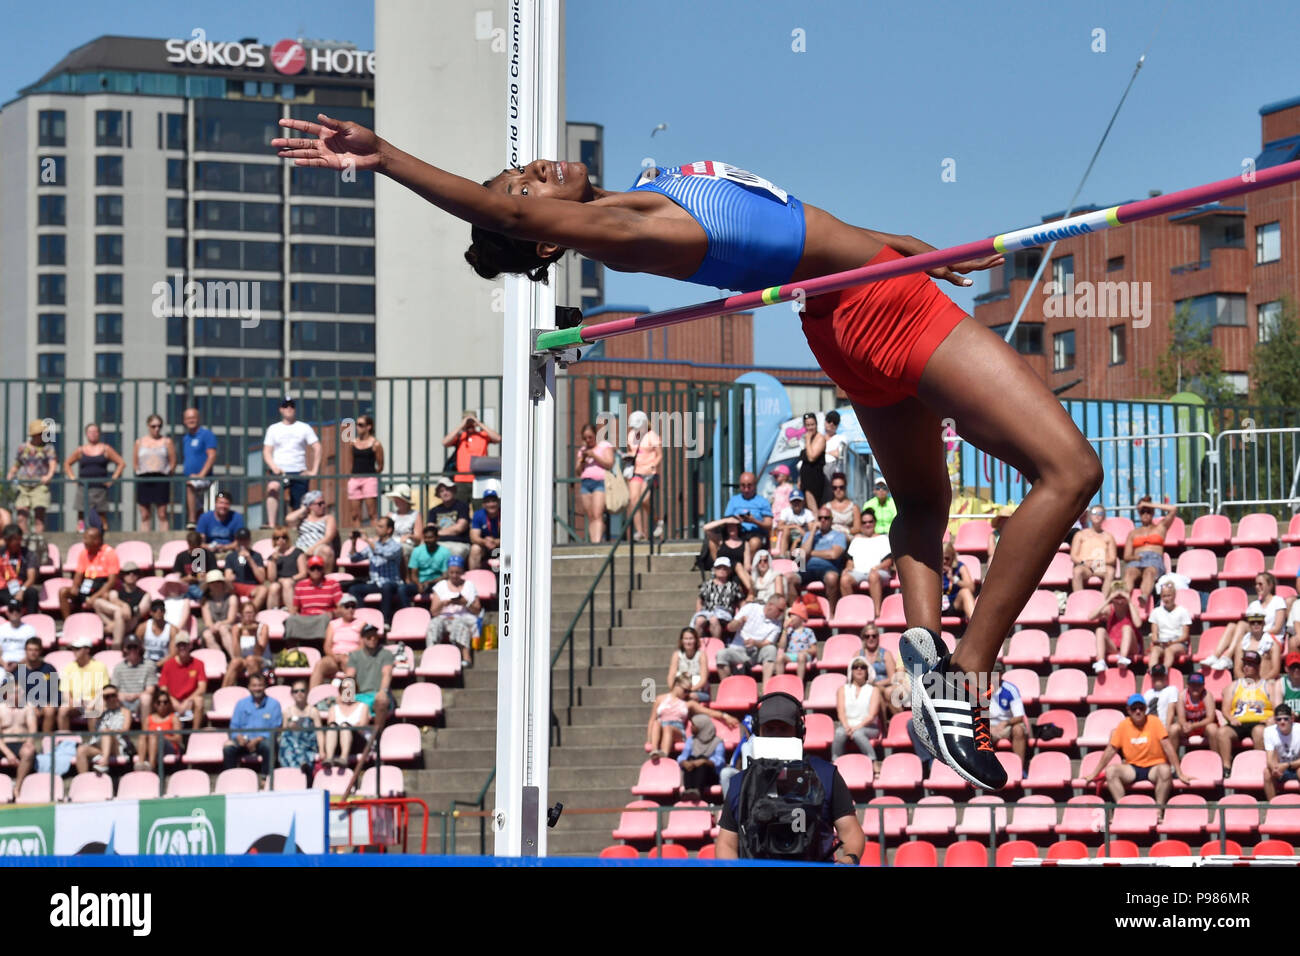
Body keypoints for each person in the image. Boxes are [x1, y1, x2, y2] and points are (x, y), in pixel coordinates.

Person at [272, 117, 1105, 791]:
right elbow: (511, 220)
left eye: (521, 169)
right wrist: (386, 158)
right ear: (552, 240)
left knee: (924, 499)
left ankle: (928, 658)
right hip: (882, 308)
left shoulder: (644, 194)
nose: (532, 171)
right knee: (1071, 471)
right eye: (523, 188)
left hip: (852, 308)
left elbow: (804, 226)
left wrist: (902, 244)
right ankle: (967, 668)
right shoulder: (616, 229)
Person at [715, 692, 865, 862]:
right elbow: (726, 843)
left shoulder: (826, 775)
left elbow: (850, 831)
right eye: (770, 729)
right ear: (758, 731)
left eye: (783, 728)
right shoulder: (740, 782)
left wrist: (849, 859)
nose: (776, 734)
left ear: (800, 732)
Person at [1092, 694, 1189, 806]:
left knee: (1165, 770)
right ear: (1128, 710)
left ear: (1145, 709)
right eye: (1134, 708)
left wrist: (1179, 772)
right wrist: (1095, 772)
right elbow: (1110, 750)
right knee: (1111, 771)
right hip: (1132, 768)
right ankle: (1123, 808)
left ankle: (1158, 810)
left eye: (1141, 708)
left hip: (1154, 766)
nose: (1138, 711)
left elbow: (1168, 747)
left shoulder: (1155, 722)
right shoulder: (1123, 725)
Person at [1208, 574, 1287, 675]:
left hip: (1273, 638)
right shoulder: (1254, 604)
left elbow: (1277, 628)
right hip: (1256, 636)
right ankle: (1216, 655)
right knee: (1232, 626)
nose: (1257, 587)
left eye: (1260, 584)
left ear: (1270, 585)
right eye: (1256, 584)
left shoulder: (1278, 601)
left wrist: (1258, 631)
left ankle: (1228, 656)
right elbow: (1250, 624)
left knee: (1241, 624)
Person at [645, 674, 736, 759]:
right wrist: (649, 739)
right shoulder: (660, 699)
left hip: (677, 729)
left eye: (689, 691)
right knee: (656, 723)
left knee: (668, 728)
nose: (687, 694)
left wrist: (724, 716)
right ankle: (655, 750)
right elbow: (652, 720)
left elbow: (708, 712)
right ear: (677, 685)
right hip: (662, 726)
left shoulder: (688, 704)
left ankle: (664, 755)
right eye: (685, 690)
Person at [263, 396, 321, 527]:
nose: (289, 408)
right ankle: (272, 524)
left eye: (291, 406)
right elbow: (267, 451)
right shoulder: (273, 428)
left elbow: (317, 447)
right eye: (285, 406)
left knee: (299, 503)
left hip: (299, 470)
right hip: (279, 470)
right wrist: (273, 467)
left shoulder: (304, 427)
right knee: (272, 488)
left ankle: (297, 527)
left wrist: (314, 470)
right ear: (280, 409)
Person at [784, 508, 847, 614]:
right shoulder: (809, 535)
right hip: (806, 568)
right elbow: (801, 555)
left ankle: (832, 614)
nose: (823, 520)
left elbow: (834, 554)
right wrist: (813, 531)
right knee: (788, 577)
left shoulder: (839, 535)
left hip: (828, 568)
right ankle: (796, 613)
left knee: (832, 578)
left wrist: (811, 553)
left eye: (826, 518)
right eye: (820, 518)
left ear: (831, 520)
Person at [64, 423, 124, 531]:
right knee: (81, 515)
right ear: (86, 434)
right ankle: (80, 535)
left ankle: (103, 534)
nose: (93, 434)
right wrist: (72, 477)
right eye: (90, 432)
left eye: (95, 432)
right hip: (84, 487)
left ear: (99, 434)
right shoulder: (80, 450)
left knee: (101, 515)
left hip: (100, 488)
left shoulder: (106, 449)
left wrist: (113, 479)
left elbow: (121, 463)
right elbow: (67, 463)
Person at [349, 516, 407, 623]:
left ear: (389, 530)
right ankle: (364, 619)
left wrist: (367, 541)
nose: (377, 529)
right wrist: (353, 542)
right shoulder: (373, 545)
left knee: (386, 587)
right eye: (377, 526)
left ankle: (385, 621)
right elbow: (354, 559)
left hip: (392, 583)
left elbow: (386, 554)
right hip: (375, 583)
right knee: (354, 589)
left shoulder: (396, 546)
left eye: (380, 526)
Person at [717, 594, 787, 682]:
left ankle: (766, 691)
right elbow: (730, 628)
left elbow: (768, 642)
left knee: (771, 649)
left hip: (757, 652)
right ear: (770, 606)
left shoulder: (778, 623)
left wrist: (755, 643)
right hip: (738, 649)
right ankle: (728, 686)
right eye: (780, 610)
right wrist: (739, 622)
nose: (782, 613)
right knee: (721, 654)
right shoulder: (750, 608)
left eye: (783, 611)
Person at [1121, 496, 1177, 605]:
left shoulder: (1160, 527)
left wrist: (1149, 504)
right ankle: (1123, 598)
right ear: (1139, 513)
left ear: (1153, 512)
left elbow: (1173, 509)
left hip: (1154, 558)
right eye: (1142, 511)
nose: (1146, 514)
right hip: (1137, 559)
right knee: (1130, 572)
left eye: (1149, 511)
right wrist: (1135, 557)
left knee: (1149, 572)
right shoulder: (1133, 533)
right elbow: (1126, 556)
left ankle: (1144, 596)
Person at [8, 419, 58, 538]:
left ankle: (37, 540)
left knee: (39, 516)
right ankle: (24, 539)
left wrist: (49, 475)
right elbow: (17, 464)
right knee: (21, 515)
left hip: (40, 485)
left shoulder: (48, 448)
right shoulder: (23, 447)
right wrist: (11, 473)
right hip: (23, 485)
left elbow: (53, 463)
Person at [224, 672, 281, 773]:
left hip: (262, 741)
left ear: (265, 686)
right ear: (249, 687)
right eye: (254, 685)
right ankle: (230, 778)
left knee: (269, 746)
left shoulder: (274, 704)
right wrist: (238, 737)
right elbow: (234, 726)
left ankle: (266, 779)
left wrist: (257, 739)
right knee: (228, 748)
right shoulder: (241, 703)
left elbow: (275, 728)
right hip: (244, 741)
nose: (257, 688)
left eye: (260, 685)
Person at [427, 556, 480, 664]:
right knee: (434, 624)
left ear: (462, 572)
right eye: (451, 572)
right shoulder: (440, 586)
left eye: (457, 572)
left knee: (459, 623)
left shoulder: (469, 585)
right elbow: (433, 611)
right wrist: (443, 603)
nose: (454, 575)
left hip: (464, 617)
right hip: (444, 617)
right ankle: (431, 654)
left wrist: (465, 603)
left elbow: (477, 610)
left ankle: (466, 657)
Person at [837, 509, 893, 611]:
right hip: (858, 572)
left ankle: (877, 612)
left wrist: (877, 567)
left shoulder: (883, 539)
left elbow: (888, 561)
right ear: (861, 524)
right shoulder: (856, 540)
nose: (867, 525)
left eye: (870, 522)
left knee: (873, 576)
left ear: (875, 522)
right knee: (844, 579)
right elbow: (850, 560)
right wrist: (848, 568)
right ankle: (852, 611)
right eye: (864, 522)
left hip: (879, 571)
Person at [58, 526, 119, 619]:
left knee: (106, 596)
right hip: (86, 585)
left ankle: (103, 625)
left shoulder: (110, 553)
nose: (84, 541)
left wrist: (95, 596)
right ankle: (68, 623)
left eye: (87, 538)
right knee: (63, 592)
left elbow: (111, 581)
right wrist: (75, 586)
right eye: (84, 538)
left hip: (101, 586)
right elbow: (79, 573)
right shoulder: (84, 553)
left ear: (96, 540)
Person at [443, 409, 501, 504]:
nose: (470, 424)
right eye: (467, 421)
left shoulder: (482, 435)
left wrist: (479, 424)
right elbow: (445, 442)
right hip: (461, 479)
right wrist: (462, 426)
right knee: (461, 509)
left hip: (479, 478)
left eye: (471, 421)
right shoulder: (460, 437)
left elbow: (497, 438)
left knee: (479, 508)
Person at [833, 656, 883, 761]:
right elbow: (841, 712)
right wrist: (847, 727)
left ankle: (872, 761)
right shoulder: (842, 689)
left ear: (867, 670)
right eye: (855, 667)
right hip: (848, 726)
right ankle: (836, 762)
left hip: (869, 727)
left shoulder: (874, 690)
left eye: (863, 667)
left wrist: (856, 727)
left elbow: (872, 715)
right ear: (851, 671)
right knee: (839, 732)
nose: (859, 669)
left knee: (858, 733)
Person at [1222, 650, 1274, 751]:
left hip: (1260, 721)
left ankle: (1260, 762)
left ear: (1258, 666)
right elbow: (1225, 709)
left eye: (1250, 664)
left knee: (1259, 731)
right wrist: (1231, 718)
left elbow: (1277, 707)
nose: (1246, 667)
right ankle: (1226, 766)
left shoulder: (1268, 686)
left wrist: (1271, 719)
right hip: (1238, 722)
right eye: (1245, 664)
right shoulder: (1234, 686)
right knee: (1222, 733)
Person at [74, 684, 131, 774]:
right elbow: (88, 711)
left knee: (106, 732)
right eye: (107, 696)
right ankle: (83, 779)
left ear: (117, 695)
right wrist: (99, 698)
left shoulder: (125, 711)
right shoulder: (99, 712)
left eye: (113, 695)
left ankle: (103, 764)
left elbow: (125, 729)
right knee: (81, 750)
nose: (111, 698)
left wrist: (110, 732)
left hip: (116, 745)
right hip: (99, 745)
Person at [310, 594, 364, 688]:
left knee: (349, 663)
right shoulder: (333, 624)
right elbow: (327, 646)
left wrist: (348, 655)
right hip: (334, 657)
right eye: (347, 606)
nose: (350, 609)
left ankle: (347, 698)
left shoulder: (361, 623)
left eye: (353, 606)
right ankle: (312, 699)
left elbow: (362, 645)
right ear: (340, 608)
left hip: (352, 657)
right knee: (320, 665)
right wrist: (334, 656)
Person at [345, 624, 394, 728]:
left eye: (375, 636)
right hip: (360, 695)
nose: (372, 639)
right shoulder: (354, 655)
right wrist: (346, 695)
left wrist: (383, 691)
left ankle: (376, 737)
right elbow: (350, 676)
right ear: (362, 639)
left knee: (382, 701)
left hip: (377, 693)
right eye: (368, 637)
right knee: (344, 701)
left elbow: (387, 673)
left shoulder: (386, 654)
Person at [1090, 581, 1144, 674]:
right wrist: (1108, 599)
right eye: (1117, 598)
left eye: (1122, 598)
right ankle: (1101, 661)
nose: (1119, 601)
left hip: (1132, 646)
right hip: (1114, 646)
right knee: (1100, 630)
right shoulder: (1109, 609)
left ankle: (1123, 658)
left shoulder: (1131, 608)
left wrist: (1129, 601)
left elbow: (1138, 624)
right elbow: (1090, 617)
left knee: (1126, 627)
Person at [575, 423, 616, 543]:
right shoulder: (583, 450)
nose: (588, 440)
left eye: (590, 437)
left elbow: (609, 463)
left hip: (600, 482)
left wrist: (594, 456)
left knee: (597, 513)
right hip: (586, 483)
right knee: (590, 515)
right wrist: (582, 460)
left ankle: (597, 542)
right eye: (585, 438)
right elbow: (578, 471)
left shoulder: (604, 446)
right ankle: (593, 542)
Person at [624, 410, 662, 542]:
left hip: (649, 473)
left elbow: (659, 455)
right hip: (636, 471)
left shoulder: (652, 436)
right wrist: (628, 458)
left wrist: (653, 465)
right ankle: (640, 531)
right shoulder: (631, 435)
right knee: (634, 500)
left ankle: (657, 520)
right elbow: (631, 451)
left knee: (645, 499)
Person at [134, 413, 175, 532]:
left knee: (162, 514)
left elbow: (172, 461)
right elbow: (135, 462)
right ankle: (144, 541)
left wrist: (167, 473)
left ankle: (164, 540)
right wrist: (139, 471)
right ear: (148, 426)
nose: (156, 429)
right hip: (144, 477)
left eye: (159, 426)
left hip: (161, 477)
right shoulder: (139, 442)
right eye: (153, 426)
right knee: (145, 514)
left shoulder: (167, 442)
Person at [722, 472, 773, 569]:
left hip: (755, 533)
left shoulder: (763, 502)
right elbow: (726, 519)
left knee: (754, 543)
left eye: (749, 486)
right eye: (743, 486)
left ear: (755, 485)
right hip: (737, 533)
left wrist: (754, 521)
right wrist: (736, 519)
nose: (746, 489)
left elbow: (769, 524)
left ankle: (745, 568)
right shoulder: (734, 500)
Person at [57, 637, 110, 730]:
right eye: (73, 649)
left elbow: (102, 691)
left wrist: (90, 704)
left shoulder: (100, 666)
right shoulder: (69, 667)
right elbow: (65, 693)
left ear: (87, 650)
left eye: (77, 649)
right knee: (63, 710)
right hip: (76, 703)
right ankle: (64, 741)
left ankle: (94, 741)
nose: (74, 651)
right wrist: (75, 703)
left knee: (92, 711)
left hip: (95, 702)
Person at [1172, 671, 1224, 765]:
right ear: (1188, 685)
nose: (1195, 688)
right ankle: (1174, 764)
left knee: (1212, 729)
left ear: (1203, 685)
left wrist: (1194, 726)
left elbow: (1210, 718)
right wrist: (1185, 725)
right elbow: (1181, 717)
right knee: (1173, 729)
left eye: (1198, 685)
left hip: (1203, 726)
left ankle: (1217, 761)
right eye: (1193, 685)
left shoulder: (1207, 695)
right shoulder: (1182, 696)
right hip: (1189, 726)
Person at [343, 413, 384, 528]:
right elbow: (351, 462)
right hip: (355, 478)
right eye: (356, 425)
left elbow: (380, 465)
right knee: (355, 514)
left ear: (368, 427)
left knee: (372, 513)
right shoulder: (353, 443)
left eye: (361, 425)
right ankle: (358, 536)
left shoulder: (376, 444)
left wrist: (373, 475)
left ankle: (375, 534)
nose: (357, 427)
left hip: (369, 478)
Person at [690, 557, 746, 641]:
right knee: (699, 620)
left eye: (725, 568)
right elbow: (700, 600)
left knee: (714, 620)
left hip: (724, 613)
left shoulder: (733, 586)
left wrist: (740, 616)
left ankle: (717, 643)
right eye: (719, 568)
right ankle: (697, 644)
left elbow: (741, 602)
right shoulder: (707, 585)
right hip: (707, 611)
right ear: (715, 570)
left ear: (729, 570)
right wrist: (699, 612)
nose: (722, 570)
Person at [157, 636, 207, 730]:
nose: (182, 647)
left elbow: (202, 687)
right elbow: (163, 687)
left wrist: (188, 700)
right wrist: (173, 701)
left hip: (190, 702)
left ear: (190, 646)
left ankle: (195, 733)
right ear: (176, 647)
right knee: (161, 700)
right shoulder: (168, 664)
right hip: (172, 702)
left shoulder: (198, 663)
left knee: (199, 701)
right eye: (179, 645)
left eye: (184, 645)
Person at [180, 407, 218, 525]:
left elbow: (212, 456)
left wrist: (201, 475)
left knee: (190, 486)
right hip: (189, 476)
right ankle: (198, 522)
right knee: (199, 507)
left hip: (203, 478)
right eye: (188, 418)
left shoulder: (206, 434)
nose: (191, 420)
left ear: (198, 419)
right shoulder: (185, 438)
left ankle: (192, 520)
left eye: (193, 417)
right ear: (184, 421)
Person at [323, 675, 371, 768]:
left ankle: (344, 758)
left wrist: (347, 727)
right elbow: (331, 727)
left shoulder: (363, 706)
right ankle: (329, 758)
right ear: (341, 691)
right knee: (333, 727)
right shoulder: (334, 708)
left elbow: (362, 728)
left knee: (344, 726)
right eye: (345, 688)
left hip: (357, 743)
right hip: (337, 743)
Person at [13, 636, 59, 732]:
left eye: (36, 650)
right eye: (30, 650)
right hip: (24, 705)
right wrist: (31, 706)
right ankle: (26, 741)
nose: (33, 653)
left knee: (50, 710)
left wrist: (47, 704)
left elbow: (56, 692)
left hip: (45, 705)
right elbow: (10, 693)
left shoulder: (49, 669)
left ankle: (46, 741)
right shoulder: (18, 671)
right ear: (25, 651)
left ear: (40, 651)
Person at [279, 682, 325, 776]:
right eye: (296, 691)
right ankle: (301, 765)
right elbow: (283, 734)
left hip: (307, 744)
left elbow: (319, 732)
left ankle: (300, 768)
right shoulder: (287, 712)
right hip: (292, 745)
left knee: (291, 745)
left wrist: (322, 750)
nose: (299, 693)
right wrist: (289, 727)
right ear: (292, 694)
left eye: (302, 691)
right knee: (287, 737)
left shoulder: (313, 711)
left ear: (306, 693)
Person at [0, 683, 37, 794]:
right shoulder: (0, 709)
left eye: (20, 692)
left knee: (28, 751)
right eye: (16, 692)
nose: (19, 694)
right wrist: (8, 753)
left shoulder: (27, 707)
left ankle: (18, 787)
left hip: (21, 743)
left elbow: (32, 729)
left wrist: (29, 742)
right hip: (4, 744)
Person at [287, 490, 336, 573]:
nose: (323, 506)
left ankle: (326, 581)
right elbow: (289, 519)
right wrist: (303, 509)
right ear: (310, 506)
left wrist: (313, 548)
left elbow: (329, 536)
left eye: (323, 503)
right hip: (301, 547)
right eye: (319, 504)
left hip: (318, 547)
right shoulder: (303, 519)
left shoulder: (328, 518)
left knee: (326, 551)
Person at [222, 602, 270, 688]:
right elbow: (237, 654)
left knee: (250, 659)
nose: (248, 615)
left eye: (251, 612)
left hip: (261, 659)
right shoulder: (237, 628)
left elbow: (259, 653)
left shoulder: (263, 627)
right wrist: (237, 637)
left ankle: (255, 689)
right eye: (246, 613)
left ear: (255, 614)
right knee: (235, 662)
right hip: (243, 660)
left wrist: (255, 635)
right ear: (242, 614)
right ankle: (224, 691)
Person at [1071, 504, 1117, 593]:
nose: (1097, 515)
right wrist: (1084, 563)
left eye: (1100, 513)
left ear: (1104, 517)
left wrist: (1096, 563)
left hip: (1100, 565)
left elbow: (1112, 559)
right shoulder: (1080, 535)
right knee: (1077, 572)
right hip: (1085, 565)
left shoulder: (1108, 537)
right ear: (1089, 516)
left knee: (1110, 571)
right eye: (1094, 512)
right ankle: (1079, 600)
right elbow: (1073, 556)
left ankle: (1104, 602)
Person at [678, 713, 726, 797]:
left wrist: (704, 761)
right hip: (693, 773)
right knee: (690, 758)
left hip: (710, 775)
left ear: (701, 726)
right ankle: (688, 791)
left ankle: (697, 791)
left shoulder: (717, 742)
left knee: (702, 758)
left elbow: (720, 761)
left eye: (693, 725)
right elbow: (683, 756)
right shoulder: (691, 740)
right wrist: (684, 762)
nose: (691, 727)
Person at [102, 562, 148, 649]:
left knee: (119, 615)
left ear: (138, 575)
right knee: (99, 603)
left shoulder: (144, 595)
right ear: (123, 575)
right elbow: (114, 600)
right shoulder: (115, 592)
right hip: (116, 625)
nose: (131, 575)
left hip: (133, 629)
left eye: (134, 572)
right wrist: (125, 605)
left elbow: (136, 617)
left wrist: (115, 628)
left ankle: (116, 645)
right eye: (127, 573)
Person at [1147, 580, 1192, 670]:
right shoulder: (1156, 612)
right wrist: (1158, 641)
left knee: (1169, 650)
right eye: (1164, 596)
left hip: (1178, 643)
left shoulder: (1183, 611)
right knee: (1155, 650)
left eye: (1169, 596)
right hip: (1162, 643)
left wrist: (1172, 642)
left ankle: (1163, 670)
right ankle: (1152, 670)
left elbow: (1185, 635)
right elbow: (1154, 634)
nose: (1166, 599)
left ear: (1174, 596)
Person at [111, 637, 156, 724]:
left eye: (135, 647)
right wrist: (121, 695)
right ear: (124, 649)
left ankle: (145, 732)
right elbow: (114, 689)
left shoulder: (149, 665)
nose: (132, 650)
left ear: (140, 648)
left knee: (146, 698)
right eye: (129, 647)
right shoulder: (118, 667)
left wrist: (136, 695)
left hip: (140, 700)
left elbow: (150, 689)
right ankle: (116, 732)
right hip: (123, 701)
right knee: (111, 698)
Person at [427, 477, 472, 562]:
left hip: (458, 543)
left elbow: (459, 528)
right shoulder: (433, 511)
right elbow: (430, 531)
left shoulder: (462, 506)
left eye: (447, 489)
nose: (445, 493)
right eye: (441, 491)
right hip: (438, 543)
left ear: (454, 490)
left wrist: (437, 533)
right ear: (438, 494)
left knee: (456, 552)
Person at [224, 528, 269, 611]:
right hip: (236, 585)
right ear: (237, 541)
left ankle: (250, 612)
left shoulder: (256, 556)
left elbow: (262, 579)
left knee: (263, 590)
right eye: (240, 540)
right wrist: (231, 577)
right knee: (226, 585)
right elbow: (228, 576)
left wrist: (250, 559)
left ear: (249, 540)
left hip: (252, 586)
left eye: (245, 540)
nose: (243, 543)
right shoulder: (231, 557)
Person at [405, 523, 450, 605]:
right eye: (425, 538)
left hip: (436, 583)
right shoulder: (417, 551)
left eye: (430, 538)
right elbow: (413, 574)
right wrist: (419, 584)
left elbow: (445, 575)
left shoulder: (445, 552)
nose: (427, 540)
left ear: (437, 538)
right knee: (402, 589)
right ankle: (407, 613)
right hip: (420, 582)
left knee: (444, 588)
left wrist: (429, 582)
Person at [988, 676, 1028, 766]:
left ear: (1000, 674)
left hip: (1008, 725)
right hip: (989, 725)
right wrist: (988, 726)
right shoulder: (980, 688)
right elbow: (979, 714)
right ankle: (987, 770)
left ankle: (1019, 768)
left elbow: (1019, 716)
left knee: (1018, 730)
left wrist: (1005, 723)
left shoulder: (1010, 689)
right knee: (981, 732)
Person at [0, 525, 40, 614]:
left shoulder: (28, 554)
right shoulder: (1, 552)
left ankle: (32, 621)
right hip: (3, 588)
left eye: (18, 539)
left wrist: (22, 590)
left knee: (32, 593)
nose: (17, 542)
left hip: (21, 587)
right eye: (12, 539)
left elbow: (31, 578)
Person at [1263, 703, 1300, 800]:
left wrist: (1287, 765)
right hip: (1280, 768)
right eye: (1279, 719)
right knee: (1267, 772)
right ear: (1275, 721)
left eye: (1285, 719)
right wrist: (1274, 769)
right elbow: (1269, 758)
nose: (1282, 722)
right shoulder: (1269, 731)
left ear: (1292, 719)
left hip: (1297, 766)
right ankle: (1273, 808)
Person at [197, 570, 238, 655]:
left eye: (218, 582)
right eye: (212, 583)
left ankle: (235, 658)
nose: (215, 585)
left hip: (228, 626)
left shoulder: (232, 598)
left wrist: (219, 624)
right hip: (213, 628)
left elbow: (231, 619)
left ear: (223, 583)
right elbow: (208, 622)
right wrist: (213, 627)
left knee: (223, 629)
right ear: (209, 585)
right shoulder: (206, 601)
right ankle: (221, 660)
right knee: (207, 634)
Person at [265, 526, 306, 610]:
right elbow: (271, 579)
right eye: (277, 538)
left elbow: (303, 573)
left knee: (287, 583)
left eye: (283, 537)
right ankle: (271, 614)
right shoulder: (272, 557)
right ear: (274, 541)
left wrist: (291, 579)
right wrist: (273, 561)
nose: (280, 540)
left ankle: (292, 613)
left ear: (287, 539)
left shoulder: (297, 552)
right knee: (273, 587)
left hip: (294, 581)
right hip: (279, 584)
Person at [142, 690, 182, 773]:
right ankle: (140, 763)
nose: (162, 705)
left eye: (165, 702)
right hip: (151, 745)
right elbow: (144, 736)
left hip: (169, 747)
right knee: (142, 736)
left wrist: (162, 737)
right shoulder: (148, 719)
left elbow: (178, 738)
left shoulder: (173, 718)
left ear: (169, 704)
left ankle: (152, 767)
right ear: (154, 704)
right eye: (159, 702)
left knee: (153, 736)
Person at [667, 627, 709, 703]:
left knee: (691, 696)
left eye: (691, 639)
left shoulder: (701, 655)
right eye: (686, 639)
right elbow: (671, 676)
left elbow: (703, 679)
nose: (688, 642)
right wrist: (676, 689)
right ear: (682, 641)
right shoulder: (677, 655)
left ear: (695, 640)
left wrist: (688, 690)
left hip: (698, 691)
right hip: (680, 690)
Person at [778, 604, 818, 684]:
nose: (790, 618)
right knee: (780, 657)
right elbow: (781, 646)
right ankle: (779, 680)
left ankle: (799, 682)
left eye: (793, 615)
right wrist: (785, 630)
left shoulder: (808, 631)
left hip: (804, 656)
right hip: (791, 655)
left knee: (801, 656)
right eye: (790, 616)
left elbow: (814, 649)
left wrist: (805, 651)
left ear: (801, 617)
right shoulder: (788, 631)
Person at [383, 484, 423, 559]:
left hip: (407, 545)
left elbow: (419, 538)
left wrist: (409, 537)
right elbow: (384, 533)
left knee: (402, 550)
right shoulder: (391, 515)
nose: (395, 500)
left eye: (398, 498)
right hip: (391, 544)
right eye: (395, 498)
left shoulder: (415, 514)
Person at [796, 412, 827, 509]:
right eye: (807, 425)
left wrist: (808, 440)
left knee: (813, 508)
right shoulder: (806, 440)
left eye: (812, 424)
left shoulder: (820, 438)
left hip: (814, 480)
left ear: (816, 425)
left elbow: (811, 457)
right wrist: (800, 479)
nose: (810, 428)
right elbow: (804, 462)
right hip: (805, 479)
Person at [773, 489, 815, 559]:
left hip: (802, 537)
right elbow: (779, 526)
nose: (796, 503)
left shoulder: (808, 513)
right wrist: (795, 526)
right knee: (786, 530)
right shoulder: (786, 511)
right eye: (794, 501)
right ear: (790, 502)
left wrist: (801, 535)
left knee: (800, 559)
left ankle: (799, 564)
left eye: (798, 501)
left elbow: (811, 530)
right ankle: (782, 555)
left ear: (803, 502)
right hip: (789, 536)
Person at [940, 542, 976, 622]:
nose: (944, 561)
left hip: (954, 604)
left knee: (965, 592)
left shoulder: (959, 567)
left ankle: (976, 624)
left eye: (947, 558)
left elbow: (971, 587)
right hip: (936, 607)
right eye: (941, 558)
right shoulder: (933, 568)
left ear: (953, 557)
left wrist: (954, 579)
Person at [135, 599, 177, 665]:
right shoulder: (142, 627)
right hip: (145, 664)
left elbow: (173, 653)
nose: (158, 611)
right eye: (155, 610)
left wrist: (159, 664)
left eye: (161, 609)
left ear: (165, 611)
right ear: (150, 612)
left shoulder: (172, 629)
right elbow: (136, 648)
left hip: (165, 664)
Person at [469, 485, 501, 571]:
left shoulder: (504, 513)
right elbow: (474, 537)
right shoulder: (478, 514)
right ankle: (475, 578)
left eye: (494, 501)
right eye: (488, 502)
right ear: (483, 504)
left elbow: (510, 538)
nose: (491, 504)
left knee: (510, 549)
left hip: (501, 545)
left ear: (498, 502)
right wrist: (485, 542)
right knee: (475, 549)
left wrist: (495, 542)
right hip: (485, 545)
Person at [0, 600, 37, 673]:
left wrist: (17, 665)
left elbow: (32, 652)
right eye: (11, 610)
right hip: (4, 666)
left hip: (24, 665)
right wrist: (4, 665)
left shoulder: (30, 630)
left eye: (17, 610)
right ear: (7, 613)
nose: (14, 613)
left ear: (22, 612)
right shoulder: (1, 629)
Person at [766, 464, 797, 543]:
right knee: (774, 533)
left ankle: (780, 549)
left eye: (777, 476)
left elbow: (790, 501)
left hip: (784, 516)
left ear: (785, 476)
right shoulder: (777, 488)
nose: (775, 478)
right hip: (775, 515)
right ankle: (774, 548)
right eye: (774, 476)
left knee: (782, 533)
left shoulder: (789, 487)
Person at [825, 471, 860, 537]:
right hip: (830, 537)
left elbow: (857, 528)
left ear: (845, 487)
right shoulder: (826, 507)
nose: (838, 490)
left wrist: (844, 531)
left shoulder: (854, 507)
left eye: (841, 487)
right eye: (835, 488)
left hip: (848, 537)